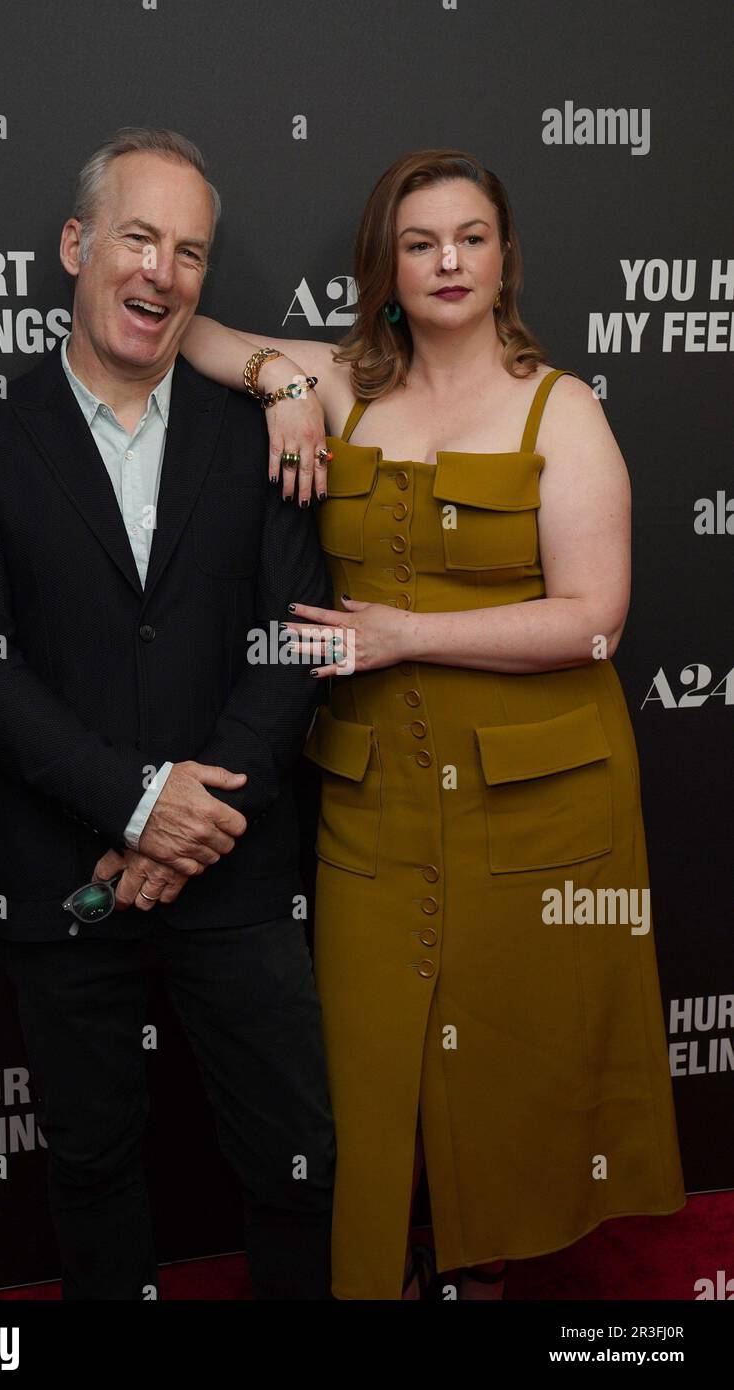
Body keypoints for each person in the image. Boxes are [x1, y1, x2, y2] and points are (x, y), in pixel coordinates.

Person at [173, 147, 687, 1300]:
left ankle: (480, 1278)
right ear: (386, 268)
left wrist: (404, 634)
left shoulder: (561, 408)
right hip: (376, 794)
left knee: (505, 1071)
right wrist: (282, 379)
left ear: (503, 259)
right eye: (418, 243)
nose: (445, 260)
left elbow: (594, 620)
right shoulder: (352, 380)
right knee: (359, 1072)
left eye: (467, 237)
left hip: (541, 796)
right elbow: (193, 334)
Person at [0, 126, 336, 1300]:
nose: (161, 270)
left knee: (294, 1163)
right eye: (138, 236)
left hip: (238, 866)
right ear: (76, 245)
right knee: (94, 1169)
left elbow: (299, 631)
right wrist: (138, 799)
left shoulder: (261, 429)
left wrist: (195, 809)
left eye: (189, 251)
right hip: (65, 871)